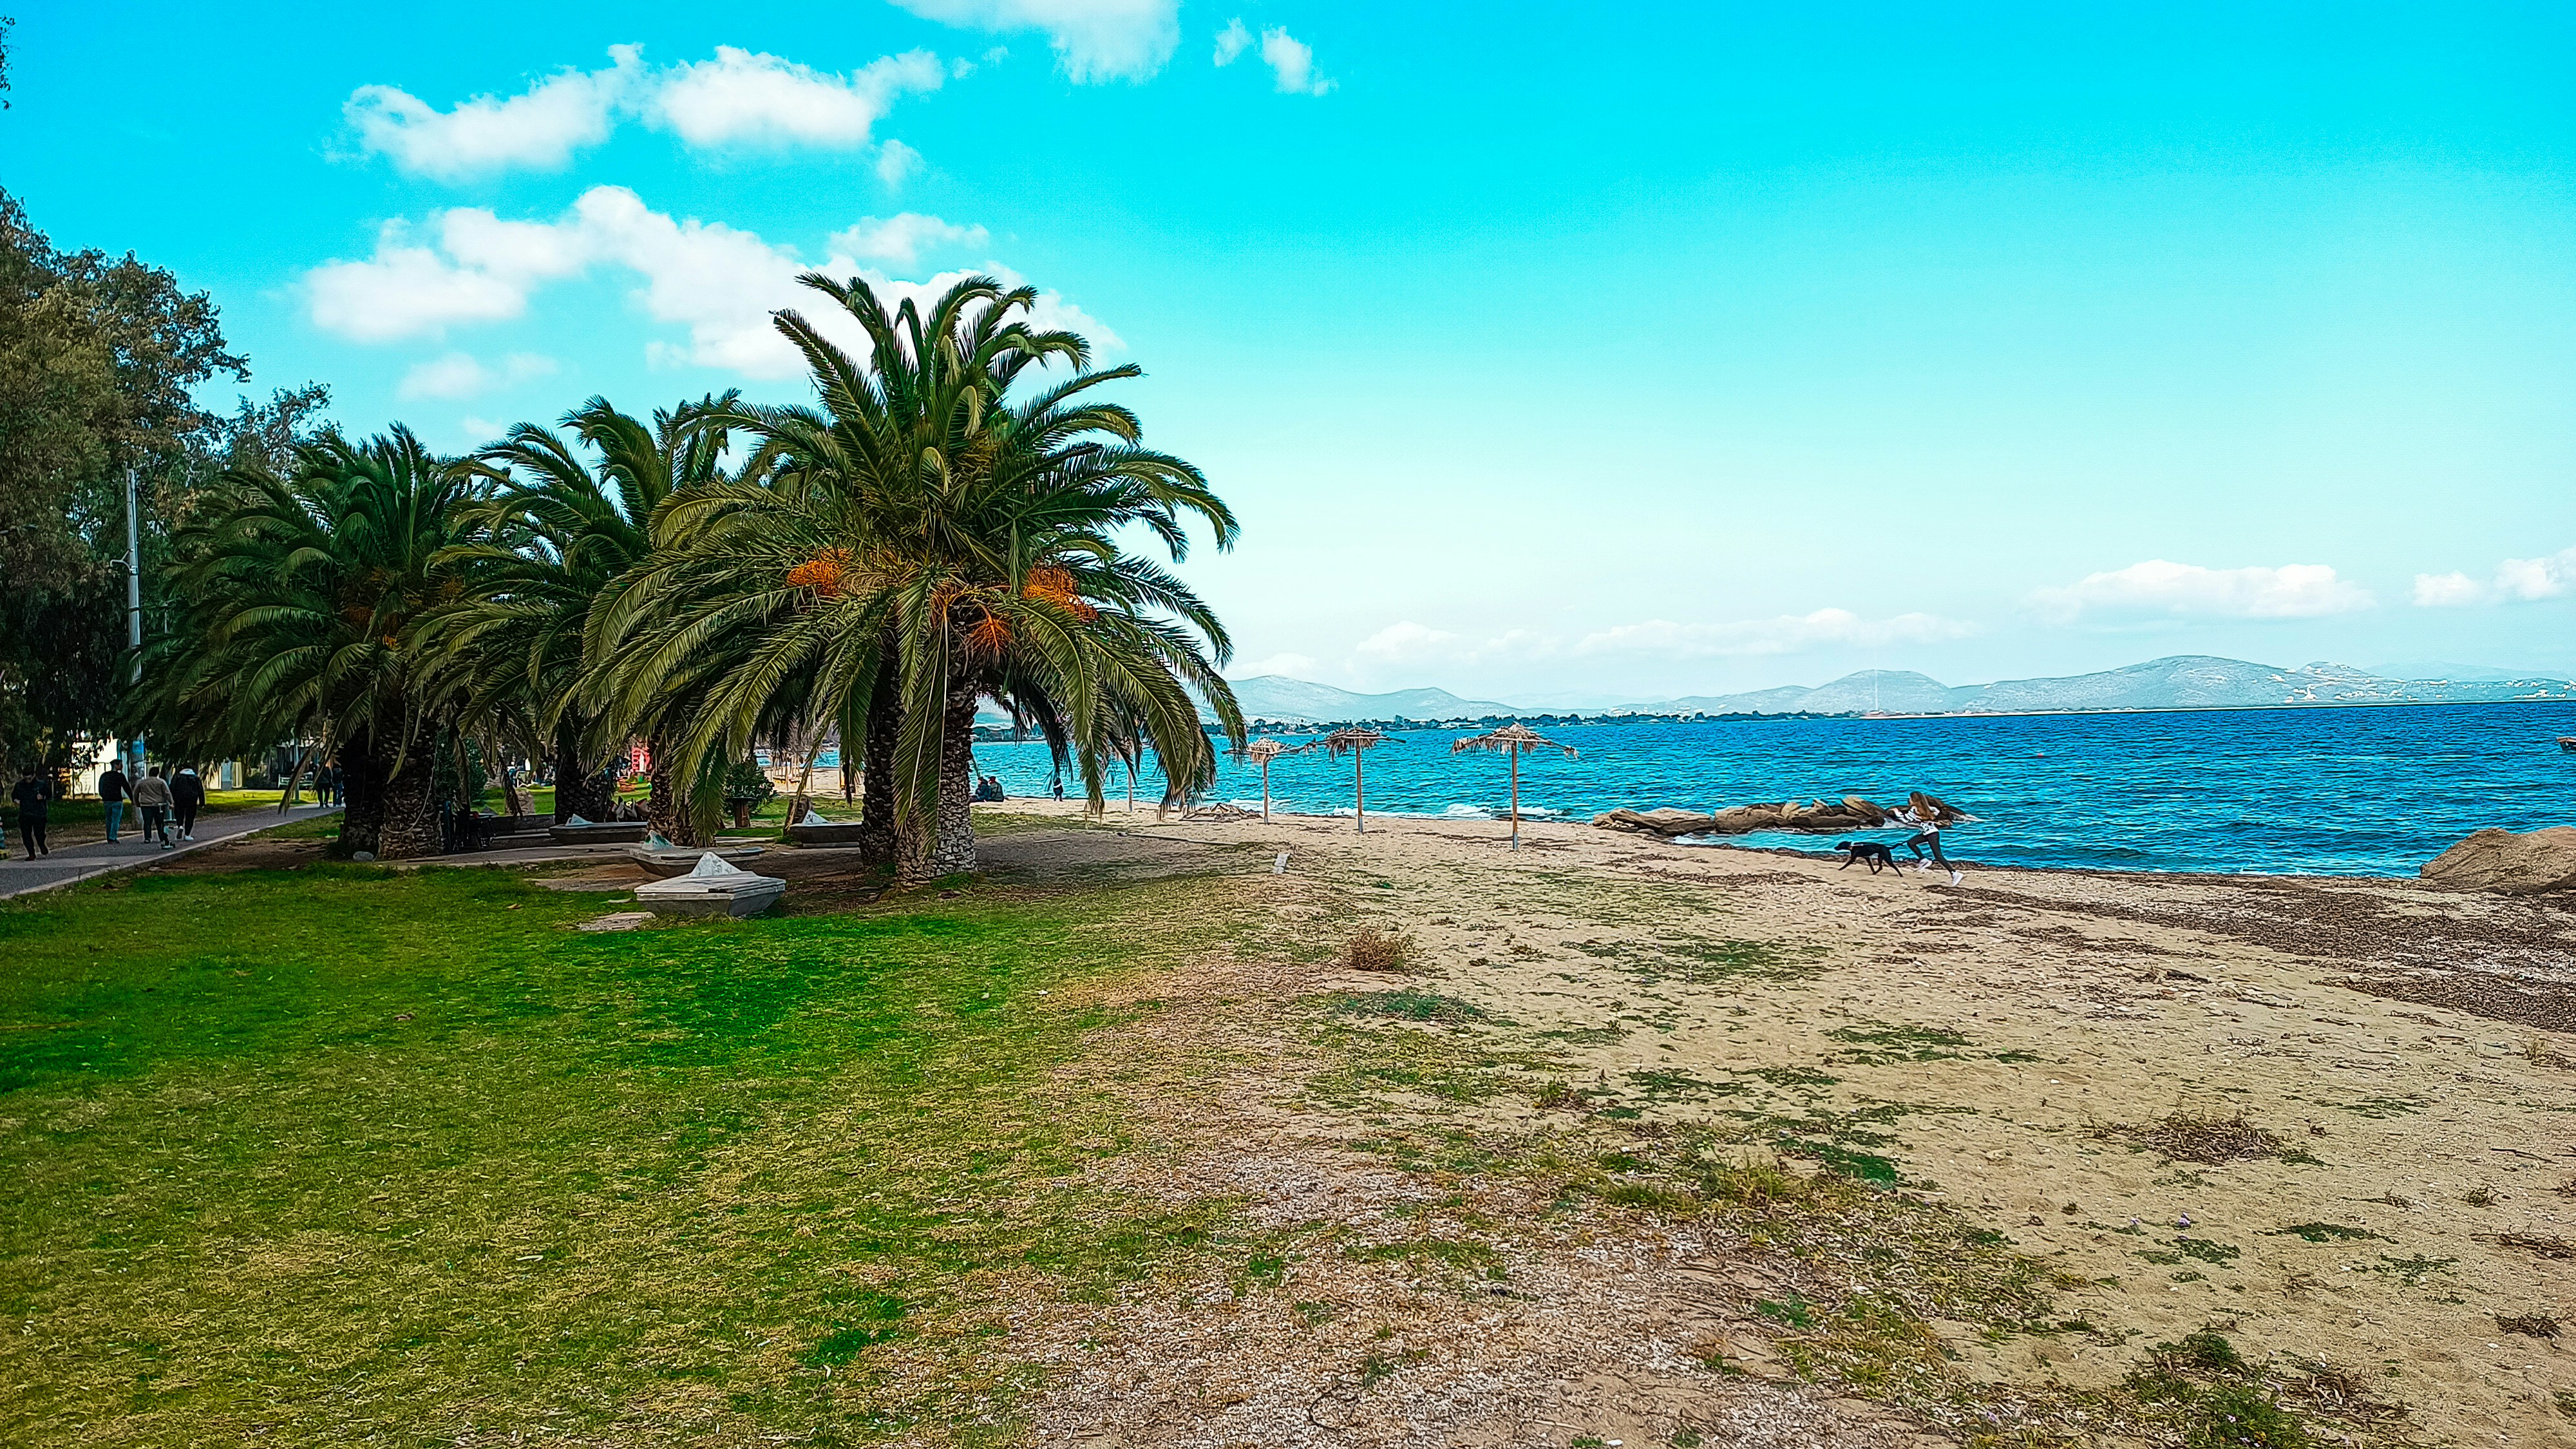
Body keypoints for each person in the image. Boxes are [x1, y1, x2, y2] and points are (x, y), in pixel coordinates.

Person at [1899, 790, 1961, 886]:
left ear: (1914, 800)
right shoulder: (1928, 808)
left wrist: (1896, 813)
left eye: (1910, 798)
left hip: (1932, 834)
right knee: (1911, 843)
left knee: (1938, 856)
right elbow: (1937, 812)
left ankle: (1955, 873)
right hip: (1928, 833)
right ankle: (1924, 859)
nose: (1909, 800)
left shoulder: (1915, 809)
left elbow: (1906, 819)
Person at [131, 765, 176, 849]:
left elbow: (136, 793)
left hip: (145, 805)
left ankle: (148, 838)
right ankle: (162, 837)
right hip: (158, 805)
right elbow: (167, 793)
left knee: (147, 822)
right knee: (160, 823)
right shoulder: (161, 782)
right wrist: (171, 802)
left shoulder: (142, 782)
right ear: (157, 773)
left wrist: (137, 803)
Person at [10, 767, 50, 860]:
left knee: (39, 833)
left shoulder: (41, 785)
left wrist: (42, 797)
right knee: (26, 835)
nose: (27, 780)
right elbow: (14, 796)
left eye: (29, 778)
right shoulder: (20, 785)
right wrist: (16, 801)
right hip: (25, 813)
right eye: (25, 778)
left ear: (33, 776)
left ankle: (41, 844)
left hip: (39, 814)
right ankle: (31, 854)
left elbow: (49, 794)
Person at [97, 758, 129, 844]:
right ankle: (112, 837)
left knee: (109, 819)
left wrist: (103, 796)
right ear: (116, 766)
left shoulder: (104, 775)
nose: (121, 767)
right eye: (120, 765)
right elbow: (126, 787)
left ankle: (109, 837)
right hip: (117, 800)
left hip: (107, 801)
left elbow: (100, 788)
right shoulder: (120, 776)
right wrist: (132, 798)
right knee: (116, 819)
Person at [171, 764, 205, 841]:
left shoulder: (177, 777)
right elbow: (200, 791)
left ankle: (180, 826)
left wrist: (173, 799)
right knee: (190, 817)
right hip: (192, 800)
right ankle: (187, 835)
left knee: (179, 813)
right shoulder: (196, 778)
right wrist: (202, 803)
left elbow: (172, 788)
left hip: (179, 799)